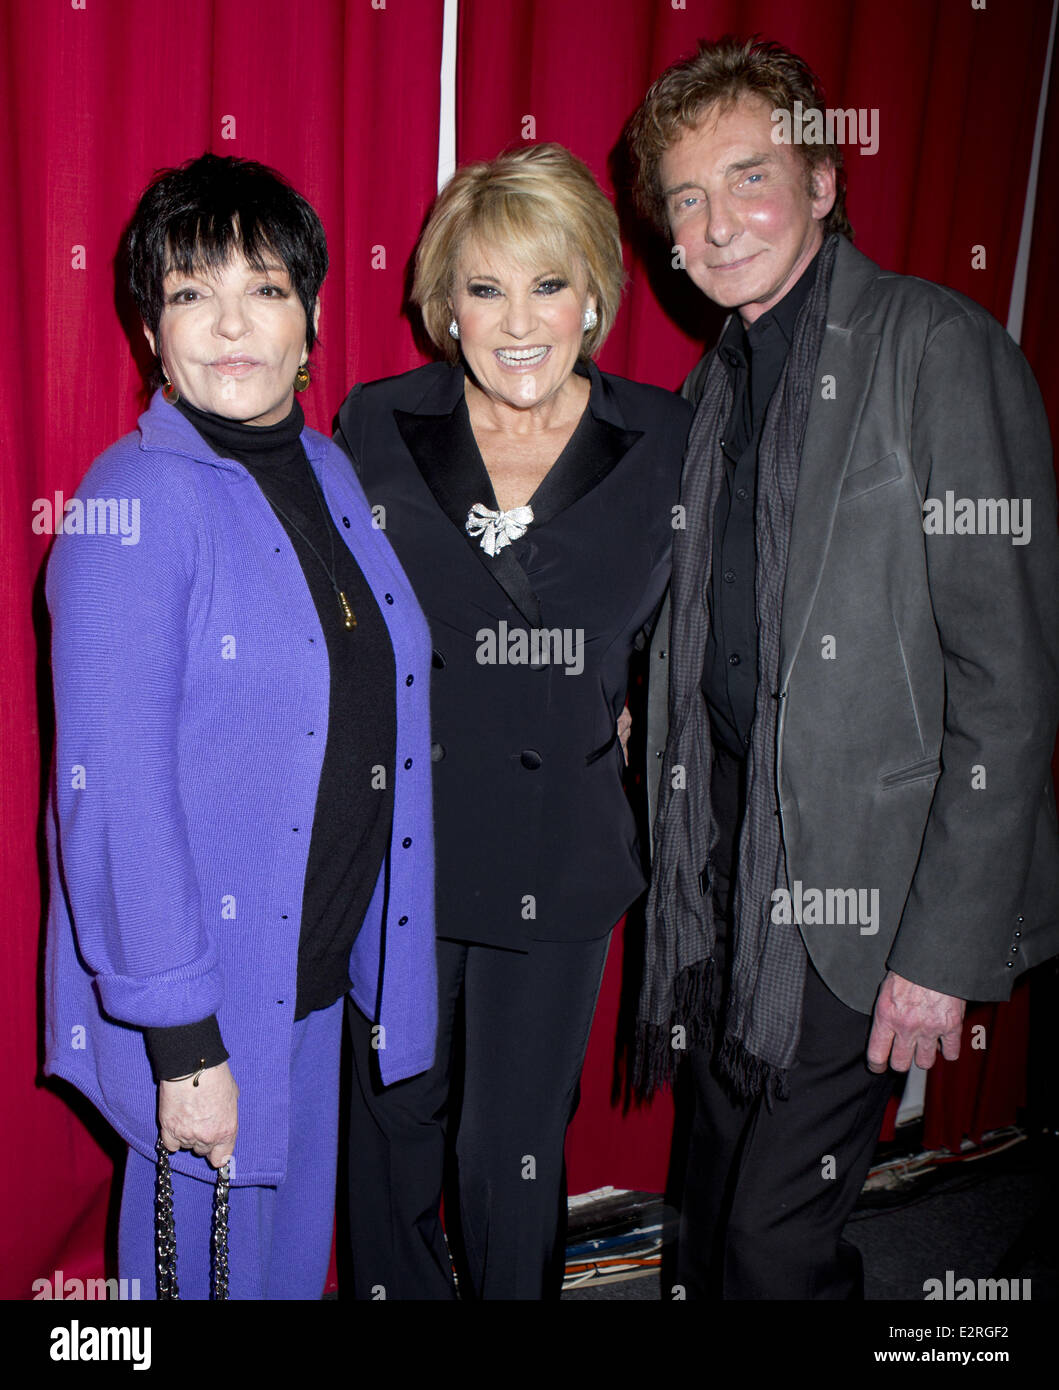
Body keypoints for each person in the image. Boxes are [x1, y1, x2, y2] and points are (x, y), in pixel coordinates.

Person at [628, 36, 1059, 1299]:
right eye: (687, 199)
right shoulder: (712, 392)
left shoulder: (935, 346)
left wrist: (941, 949)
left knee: (770, 1248)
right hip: (723, 882)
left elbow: (1009, 678)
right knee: (705, 1223)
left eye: (748, 178)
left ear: (824, 182)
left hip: (865, 898)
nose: (715, 224)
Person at [44, 153, 437, 1300]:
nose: (229, 324)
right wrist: (183, 1045)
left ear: (310, 318)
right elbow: (112, 795)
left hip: (305, 980)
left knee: (273, 1276)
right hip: (210, 1005)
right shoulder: (134, 504)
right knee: (201, 1286)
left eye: (263, 288)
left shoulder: (322, 465)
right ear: (150, 331)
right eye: (189, 292)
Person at [333, 142, 691, 1300]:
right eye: (485, 288)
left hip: (563, 843)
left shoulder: (666, 438)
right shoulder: (377, 422)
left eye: (549, 283)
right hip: (404, 844)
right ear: (446, 307)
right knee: (394, 1125)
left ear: (595, 292)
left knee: (513, 1149)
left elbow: (694, 641)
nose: (520, 319)